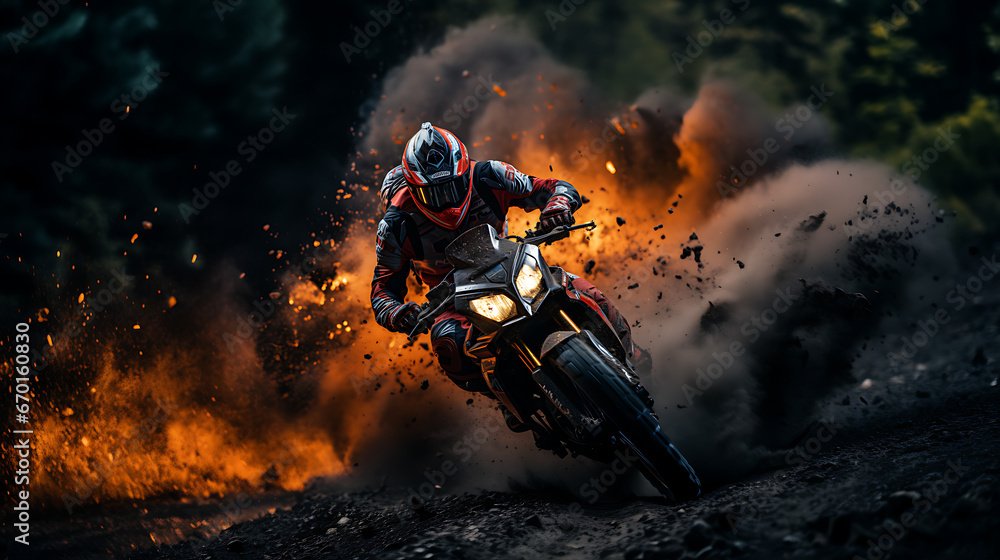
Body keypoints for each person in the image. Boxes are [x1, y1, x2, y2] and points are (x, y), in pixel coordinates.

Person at [370, 122, 647, 432]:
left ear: (465, 170)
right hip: (449, 297)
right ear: (412, 187)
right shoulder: (394, 225)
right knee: (449, 344)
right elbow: (382, 290)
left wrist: (557, 206)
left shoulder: (489, 175)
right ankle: (507, 399)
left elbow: (551, 186)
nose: (445, 200)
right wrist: (399, 313)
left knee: (582, 291)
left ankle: (629, 353)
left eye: (451, 186)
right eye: (431, 192)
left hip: (509, 263)